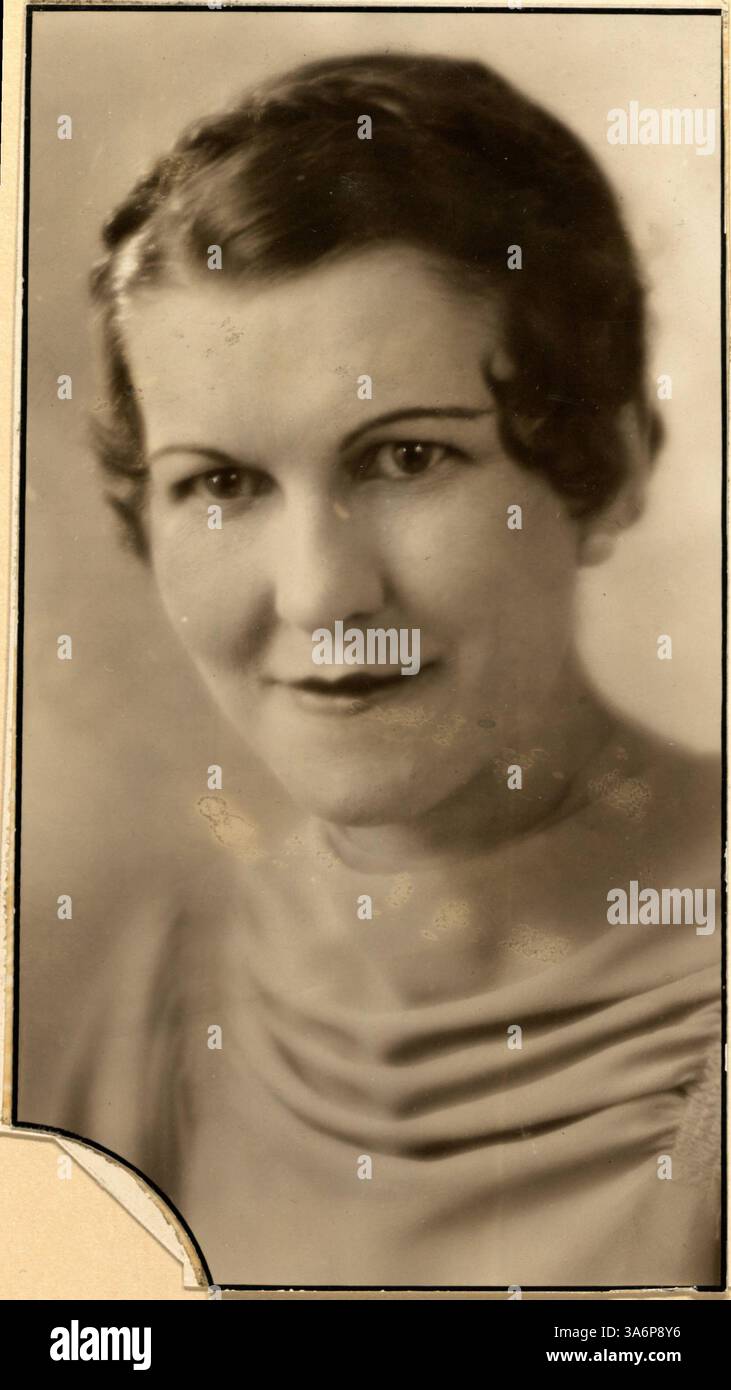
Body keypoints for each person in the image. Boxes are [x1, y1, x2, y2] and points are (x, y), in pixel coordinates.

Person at [57, 51, 720, 1287]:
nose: (320, 592)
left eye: (406, 458)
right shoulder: (161, 990)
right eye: (221, 483)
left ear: (608, 466)